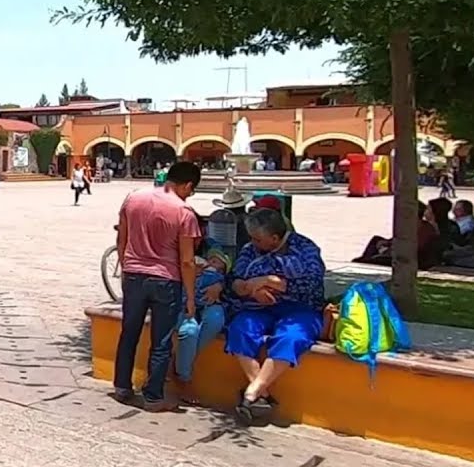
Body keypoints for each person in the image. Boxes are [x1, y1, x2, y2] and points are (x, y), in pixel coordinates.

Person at [111, 161, 203, 412]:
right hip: (166, 280)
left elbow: (122, 239)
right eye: (191, 190)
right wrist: (191, 297)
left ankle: (122, 386)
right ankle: (153, 397)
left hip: (134, 275)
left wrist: (126, 267)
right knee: (161, 340)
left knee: (129, 333)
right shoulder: (184, 212)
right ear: (188, 185)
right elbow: (187, 260)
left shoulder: (133, 198)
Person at [224, 208, 326, 425]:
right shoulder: (250, 250)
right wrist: (249, 289)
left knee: (292, 336)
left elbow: (311, 284)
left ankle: (252, 392)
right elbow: (234, 279)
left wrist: (269, 281)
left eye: (258, 239)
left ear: (275, 238)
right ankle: (261, 394)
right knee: (240, 328)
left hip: (299, 308)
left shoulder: (305, 248)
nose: (253, 243)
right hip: (258, 307)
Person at [174, 247, 229, 401]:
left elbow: (232, 277)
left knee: (215, 321)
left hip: (207, 302)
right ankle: (184, 377)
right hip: (181, 301)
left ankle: (182, 360)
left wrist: (221, 284)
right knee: (189, 332)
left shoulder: (211, 245)